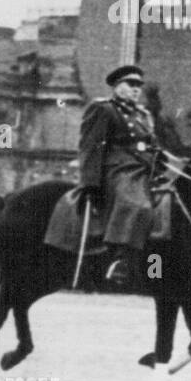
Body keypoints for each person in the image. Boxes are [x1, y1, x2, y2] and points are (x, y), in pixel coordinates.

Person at [73, 64, 164, 287]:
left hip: (146, 167)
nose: (135, 89)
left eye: (138, 86)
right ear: (116, 87)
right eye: (130, 84)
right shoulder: (104, 109)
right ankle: (120, 258)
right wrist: (90, 182)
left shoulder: (144, 114)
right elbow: (90, 146)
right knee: (136, 204)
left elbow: (152, 144)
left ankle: (159, 263)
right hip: (118, 167)